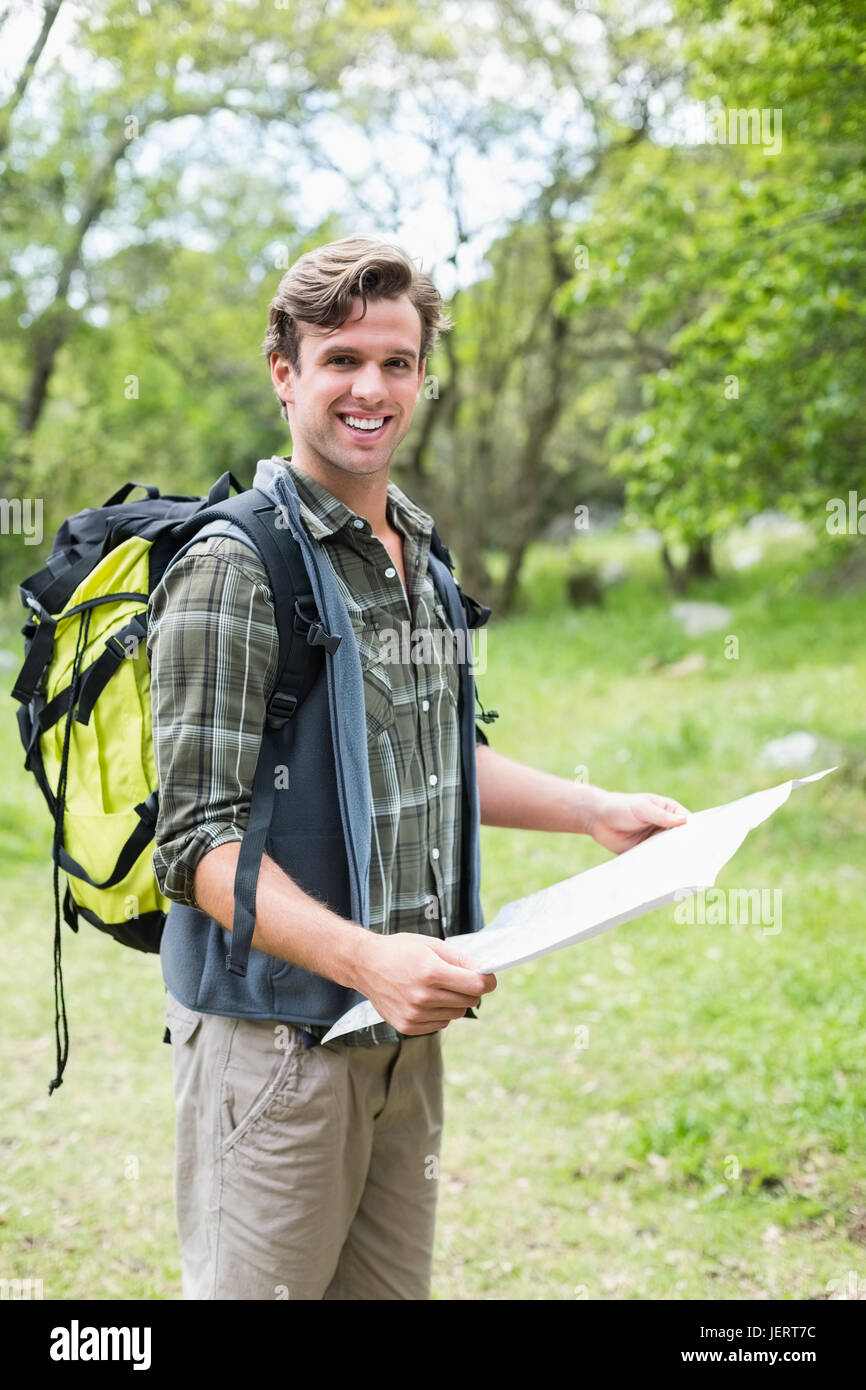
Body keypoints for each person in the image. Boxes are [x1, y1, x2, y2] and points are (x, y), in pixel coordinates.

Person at [147, 234, 689, 1301]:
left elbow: (440, 756)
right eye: (342, 357)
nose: (372, 387)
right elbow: (197, 846)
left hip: (399, 1038)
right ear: (284, 373)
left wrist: (594, 809)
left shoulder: (419, 557)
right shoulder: (232, 566)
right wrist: (369, 962)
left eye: (397, 362)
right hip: (276, 1046)